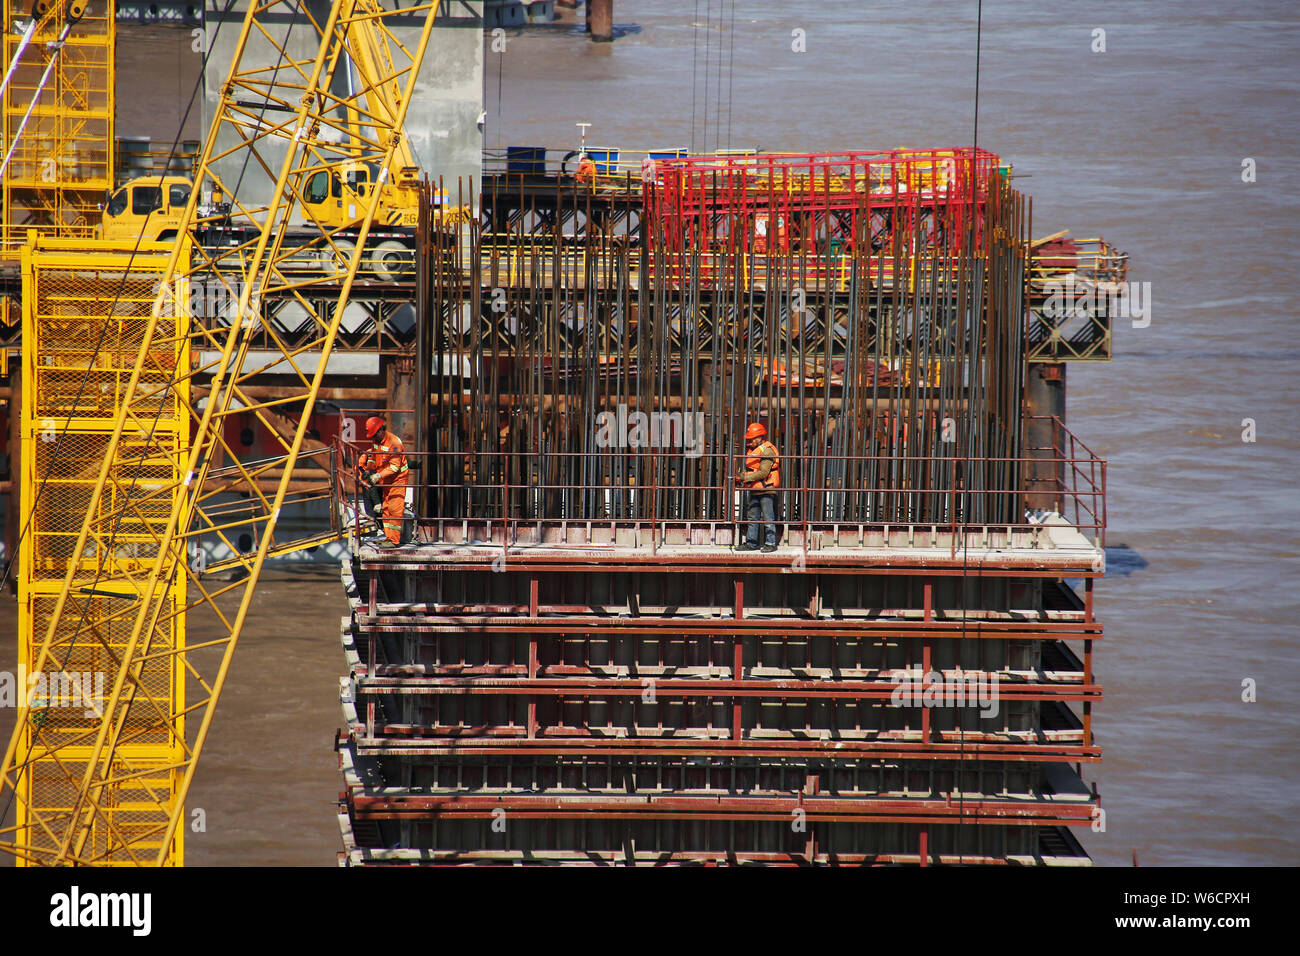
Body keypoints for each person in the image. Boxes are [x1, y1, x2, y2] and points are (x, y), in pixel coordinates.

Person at [357, 416, 409, 548]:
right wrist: (369, 469)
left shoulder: (394, 443)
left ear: (380, 430)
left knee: (394, 509)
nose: (373, 439)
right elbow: (374, 458)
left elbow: (395, 467)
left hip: (398, 480)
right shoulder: (377, 441)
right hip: (386, 480)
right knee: (386, 507)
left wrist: (378, 475)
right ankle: (388, 537)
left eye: (374, 435)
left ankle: (394, 541)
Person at [736, 421, 779, 553]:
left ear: (759, 437)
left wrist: (744, 478)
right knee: (752, 518)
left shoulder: (767, 451)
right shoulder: (755, 450)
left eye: (751, 439)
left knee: (768, 518)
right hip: (755, 489)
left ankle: (770, 543)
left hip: (766, 490)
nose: (749, 442)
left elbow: (763, 472)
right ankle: (751, 543)